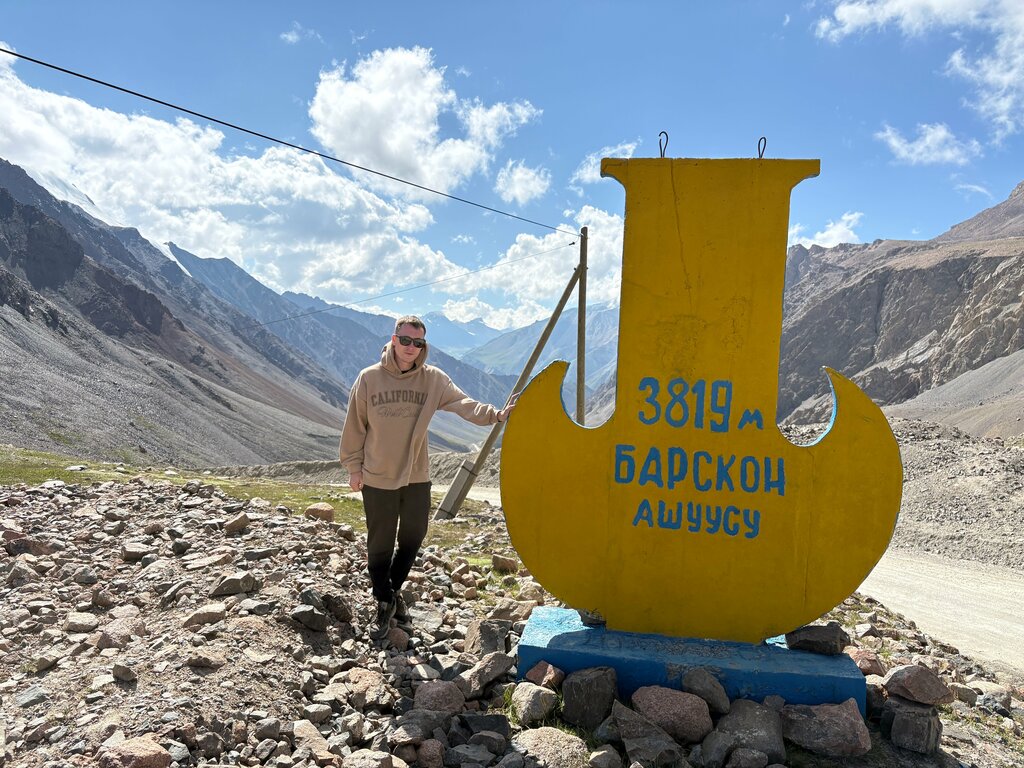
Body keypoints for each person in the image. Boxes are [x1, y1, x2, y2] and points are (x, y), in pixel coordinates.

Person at [339, 315, 516, 640]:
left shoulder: (433, 380)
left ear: (424, 346)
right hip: (377, 476)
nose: (410, 347)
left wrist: (495, 415)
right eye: (404, 340)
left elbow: (463, 403)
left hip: (416, 476)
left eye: (417, 343)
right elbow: (355, 424)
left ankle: (389, 594)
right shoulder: (369, 379)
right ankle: (384, 601)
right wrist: (353, 467)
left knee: (412, 538)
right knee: (379, 545)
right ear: (394, 340)